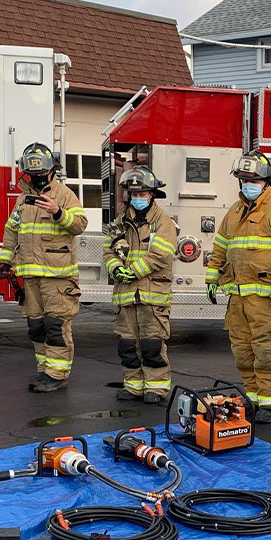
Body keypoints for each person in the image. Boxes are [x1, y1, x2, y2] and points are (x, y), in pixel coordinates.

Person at [205, 151, 271, 424]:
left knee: (268, 352)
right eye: (245, 179)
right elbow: (220, 248)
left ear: (266, 181)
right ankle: (253, 399)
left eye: (255, 179)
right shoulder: (235, 211)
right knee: (243, 353)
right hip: (238, 300)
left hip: (267, 300)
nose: (249, 184)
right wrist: (212, 278)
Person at [0, 143, 87, 393]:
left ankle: (57, 375)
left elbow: (79, 225)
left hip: (58, 277)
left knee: (55, 326)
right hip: (30, 275)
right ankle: (44, 370)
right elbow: (12, 231)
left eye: (41, 173)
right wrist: (5, 261)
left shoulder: (65, 195)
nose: (36, 178)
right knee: (36, 326)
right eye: (32, 174)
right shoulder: (22, 201)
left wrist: (58, 212)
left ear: (52, 171)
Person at [105, 166, 178, 404]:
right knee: (127, 345)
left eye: (142, 194)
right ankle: (133, 386)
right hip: (126, 296)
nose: (137, 199)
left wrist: (132, 270)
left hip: (152, 295)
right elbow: (108, 251)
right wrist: (116, 268)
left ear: (152, 195)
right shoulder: (119, 222)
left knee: (152, 345)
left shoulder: (163, 221)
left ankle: (155, 389)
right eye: (134, 195)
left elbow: (161, 255)